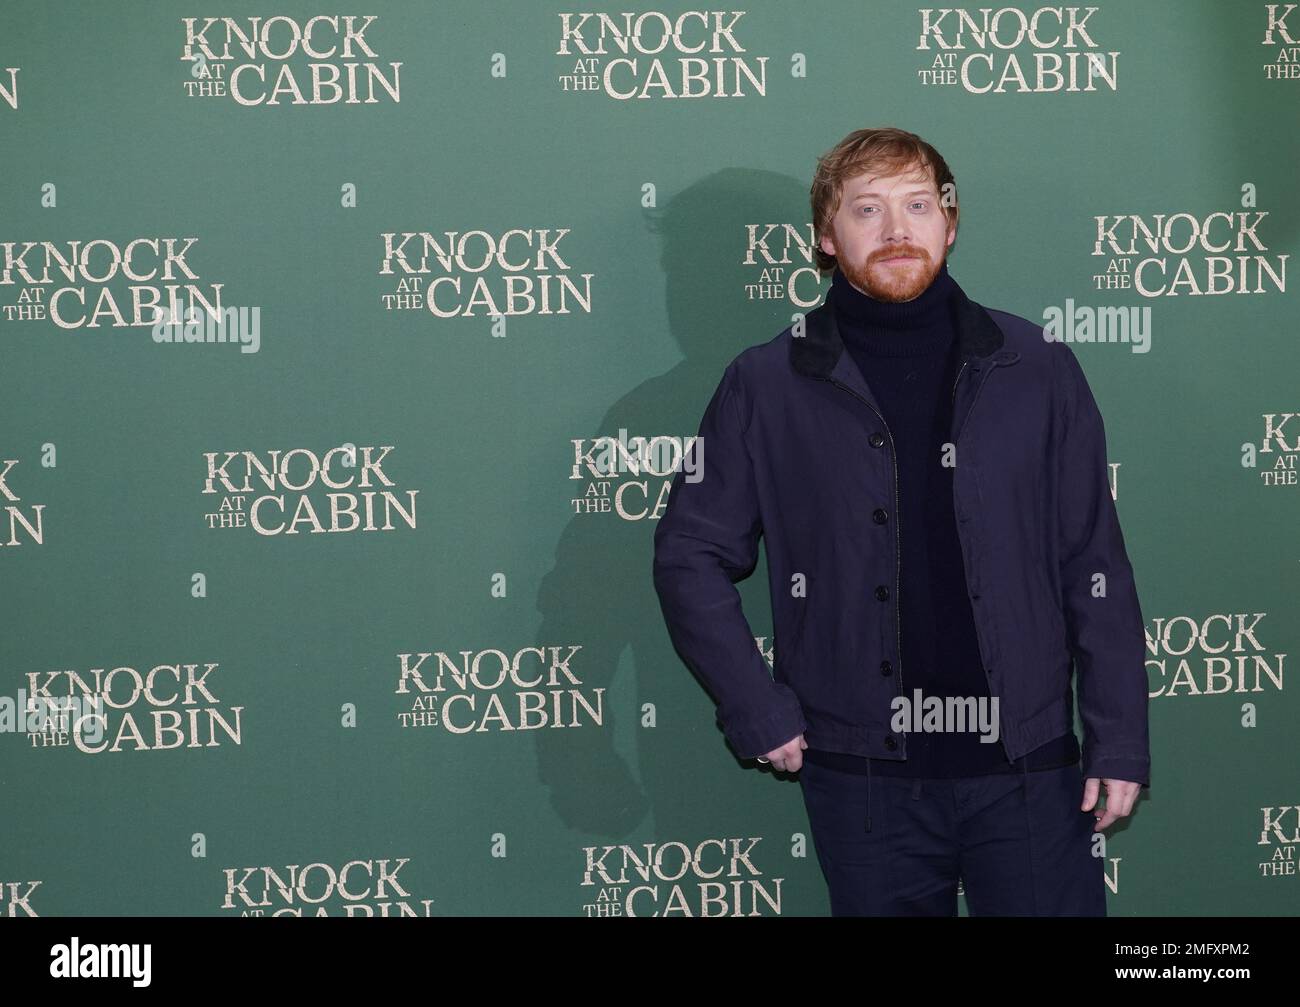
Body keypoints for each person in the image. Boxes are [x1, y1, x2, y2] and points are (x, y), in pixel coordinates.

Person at [652, 126, 1149, 916]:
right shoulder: (765, 382)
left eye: (919, 204)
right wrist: (755, 703)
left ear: (950, 223)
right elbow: (689, 553)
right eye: (866, 209)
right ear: (825, 235)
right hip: (864, 780)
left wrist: (1117, 736)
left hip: (1029, 769)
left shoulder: (1039, 367)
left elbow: (1093, 560)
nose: (895, 231)